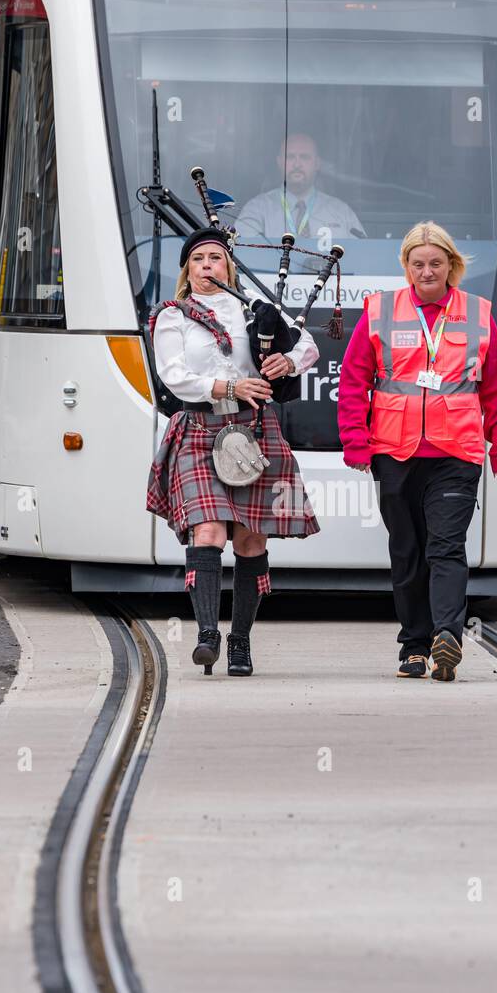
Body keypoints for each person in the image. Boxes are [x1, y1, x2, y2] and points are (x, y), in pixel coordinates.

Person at [337, 221, 497, 682]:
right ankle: (413, 647)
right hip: (395, 452)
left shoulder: (477, 315)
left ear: (452, 266)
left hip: (456, 454)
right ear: (407, 267)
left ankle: (447, 635)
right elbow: (354, 381)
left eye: (436, 263)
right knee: (407, 553)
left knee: (446, 548)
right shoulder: (380, 312)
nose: (427, 271)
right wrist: (355, 440)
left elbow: (496, 385)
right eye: (418, 264)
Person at [146, 228, 320, 677]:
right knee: (208, 533)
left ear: (230, 268)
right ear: (188, 269)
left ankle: (240, 641)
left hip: (253, 429)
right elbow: (173, 375)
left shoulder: (255, 310)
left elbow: (307, 344)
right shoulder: (173, 316)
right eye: (199, 259)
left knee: (250, 539)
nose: (207, 266)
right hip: (200, 427)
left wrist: (288, 362)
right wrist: (229, 385)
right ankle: (207, 634)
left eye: (216, 258)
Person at [236, 133, 365, 241]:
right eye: (290, 157)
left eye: (304, 157)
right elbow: (242, 253)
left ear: (317, 164)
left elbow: (362, 255)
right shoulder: (257, 210)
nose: (297, 164)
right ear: (280, 162)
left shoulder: (341, 212)